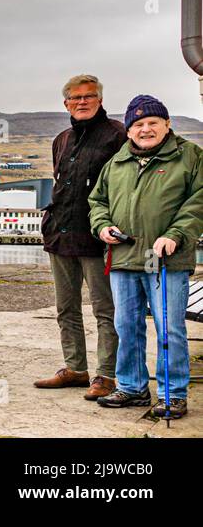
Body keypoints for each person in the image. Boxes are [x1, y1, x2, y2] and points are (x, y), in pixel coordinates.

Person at [88, 95, 203, 418]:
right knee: (126, 325)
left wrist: (176, 234)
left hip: (166, 259)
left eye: (153, 122)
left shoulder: (190, 157)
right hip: (124, 257)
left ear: (167, 125)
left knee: (169, 329)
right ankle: (132, 387)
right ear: (128, 131)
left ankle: (173, 394)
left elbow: (198, 202)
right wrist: (103, 226)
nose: (146, 128)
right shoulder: (117, 162)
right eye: (138, 124)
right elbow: (97, 201)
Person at [34, 75, 124, 400]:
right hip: (60, 237)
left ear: (99, 100)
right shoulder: (61, 139)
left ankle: (107, 376)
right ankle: (75, 369)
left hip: (97, 239)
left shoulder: (118, 135)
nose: (82, 102)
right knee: (66, 308)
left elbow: (124, 189)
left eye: (89, 96)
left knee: (105, 310)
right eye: (76, 98)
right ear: (66, 104)